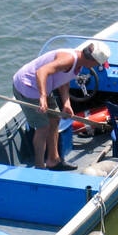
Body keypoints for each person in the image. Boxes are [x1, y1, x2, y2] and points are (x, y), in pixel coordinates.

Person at [12, 40, 111, 170]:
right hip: (28, 86)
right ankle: (39, 167)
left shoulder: (79, 63)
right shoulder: (69, 59)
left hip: (45, 86)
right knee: (43, 127)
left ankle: (53, 160)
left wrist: (66, 103)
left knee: (55, 119)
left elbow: (64, 79)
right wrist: (43, 97)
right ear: (92, 61)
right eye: (99, 64)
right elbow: (41, 71)